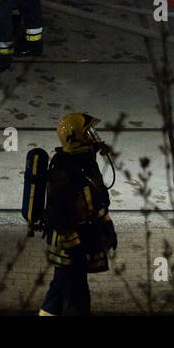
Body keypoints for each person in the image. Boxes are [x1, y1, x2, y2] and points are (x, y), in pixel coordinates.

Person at [39, 112, 117, 316]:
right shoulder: (63, 168)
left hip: (80, 240)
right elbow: (59, 214)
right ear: (74, 136)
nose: (94, 136)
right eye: (88, 132)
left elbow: (97, 198)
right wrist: (74, 247)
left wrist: (107, 223)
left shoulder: (86, 163)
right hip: (69, 246)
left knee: (57, 294)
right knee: (77, 298)